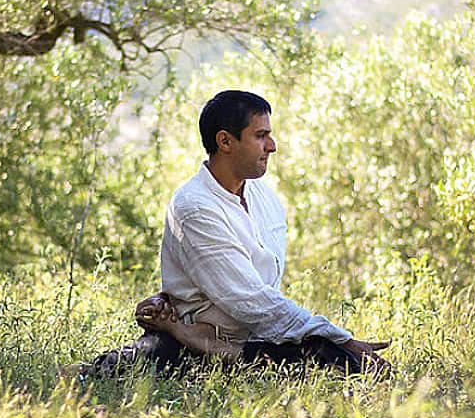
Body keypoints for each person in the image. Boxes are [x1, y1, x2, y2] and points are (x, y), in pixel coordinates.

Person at [83, 90, 390, 377]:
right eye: (260, 136)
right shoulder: (195, 207)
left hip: (254, 341)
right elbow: (248, 300)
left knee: (353, 366)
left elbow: (263, 296)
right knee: (119, 369)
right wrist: (341, 338)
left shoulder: (263, 197)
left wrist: (329, 340)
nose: (272, 146)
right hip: (191, 346)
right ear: (225, 141)